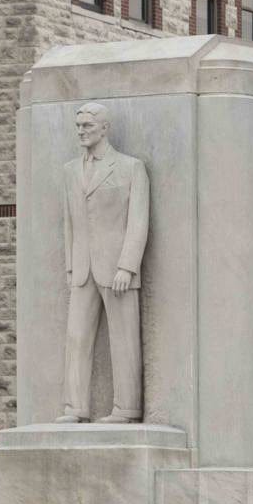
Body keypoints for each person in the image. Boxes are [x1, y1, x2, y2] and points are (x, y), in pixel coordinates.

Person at [56, 103, 149, 424]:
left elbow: (138, 221)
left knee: (123, 339)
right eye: (78, 125)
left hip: (117, 267)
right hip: (82, 268)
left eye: (87, 126)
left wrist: (128, 265)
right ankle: (75, 407)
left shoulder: (130, 167)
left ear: (104, 128)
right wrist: (70, 266)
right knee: (76, 337)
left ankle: (126, 408)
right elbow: (70, 221)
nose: (81, 131)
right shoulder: (70, 170)